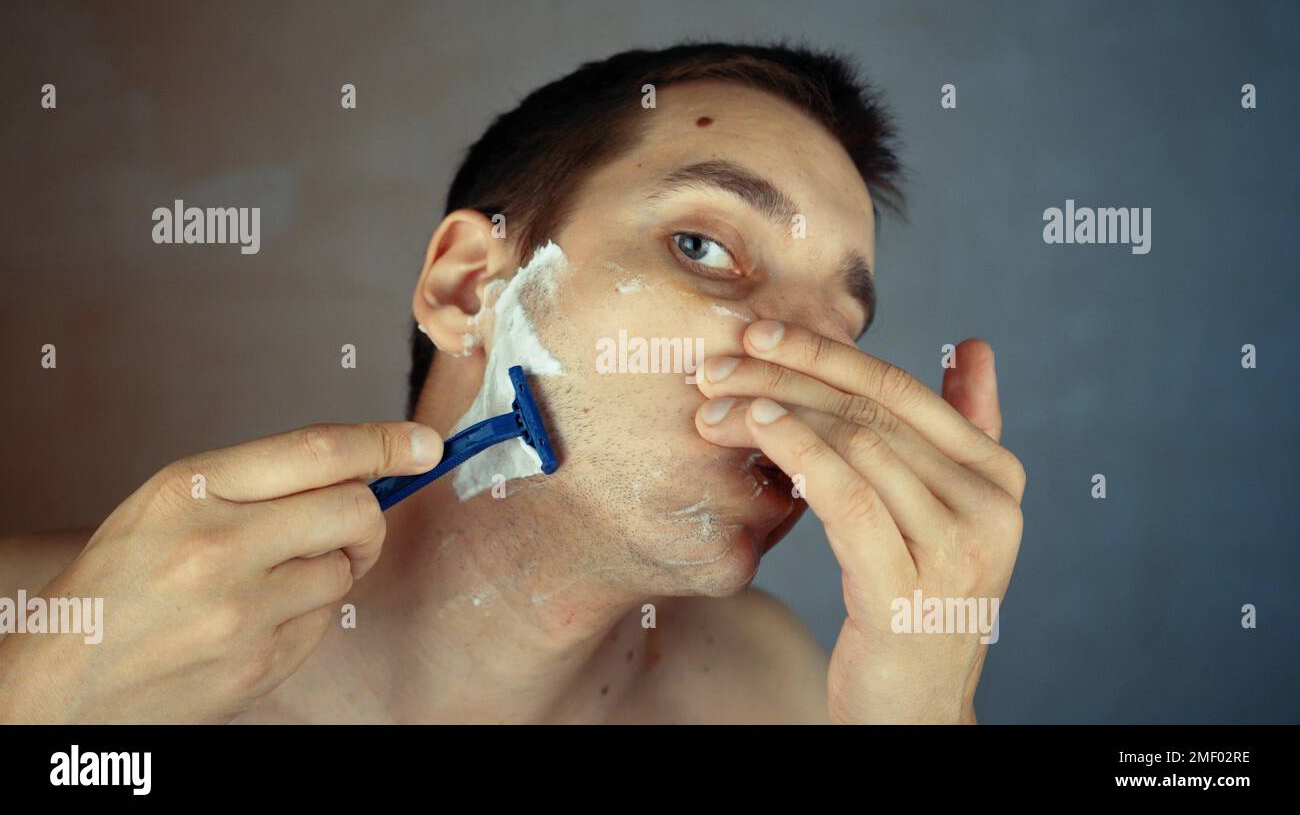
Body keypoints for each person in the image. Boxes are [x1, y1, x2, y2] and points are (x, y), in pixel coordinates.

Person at [0, 42, 1025, 723]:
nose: (805, 361)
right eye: (702, 243)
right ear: (468, 286)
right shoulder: (38, 627)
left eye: (843, 325)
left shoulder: (783, 690)